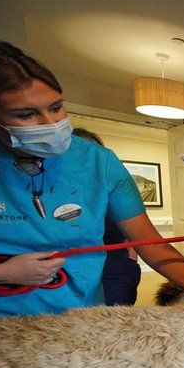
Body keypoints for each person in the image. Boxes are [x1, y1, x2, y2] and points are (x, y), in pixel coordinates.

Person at [0, 41, 184, 318]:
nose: (52, 124)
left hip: (83, 321)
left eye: (56, 107)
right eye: (26, 115)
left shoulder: (97, 161)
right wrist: (1, 274)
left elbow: (152, 245)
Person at [72, 128, 142, 306]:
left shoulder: (114, 189)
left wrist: (130, 261)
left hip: (115, 271)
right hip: (75, 274)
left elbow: (140, 234)